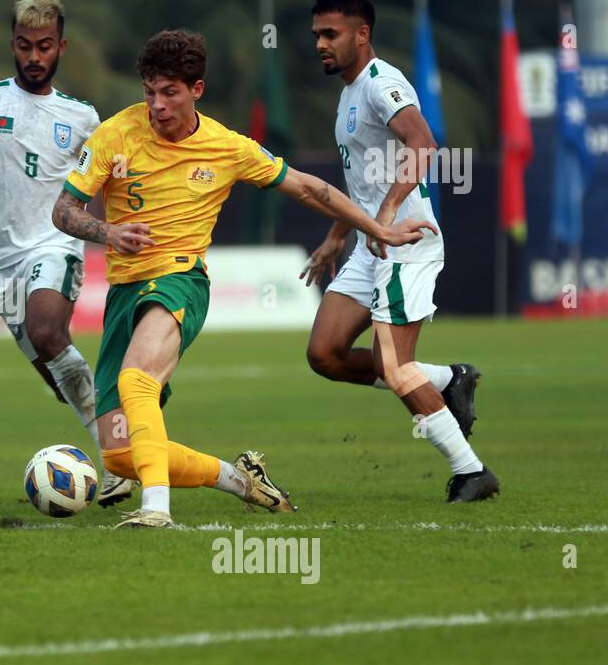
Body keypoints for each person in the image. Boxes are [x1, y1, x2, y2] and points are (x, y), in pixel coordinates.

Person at [52, 29, 436, 528]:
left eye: (169, 92)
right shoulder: (114, 135)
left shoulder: (226, 147)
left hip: (178, 281)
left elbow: (311, 189)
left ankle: (156, 511)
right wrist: (106, 231)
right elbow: (63, 211)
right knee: (121, 457)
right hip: (125, 291)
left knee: (136, 380)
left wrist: (377, 227)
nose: (157, 105)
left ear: (197, 90)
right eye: (150, 92)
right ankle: (240, 480)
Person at [0, 0, 133, 506]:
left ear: (61, 48)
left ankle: (119, 460)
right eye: (23, 46)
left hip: (55, 243)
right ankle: (122, 427)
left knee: (46, 331)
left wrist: (118, 226)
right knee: (56, 370)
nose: (33, 57)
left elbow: (110, 183)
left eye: (44, 47)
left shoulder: (83, 116)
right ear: (12, 46)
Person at [302, 0, 497, 503]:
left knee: (395, 366)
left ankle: (471, 471)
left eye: (331, 34)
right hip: (373, 247)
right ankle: (447, 378)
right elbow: (362, 183)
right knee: (325, 354)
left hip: (407, 242)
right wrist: (335, 236)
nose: (320, 44)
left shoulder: (381, 83)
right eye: (317, 34)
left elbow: (425, 143)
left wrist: (386, 216)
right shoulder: (348, 93)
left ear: (361, 34)